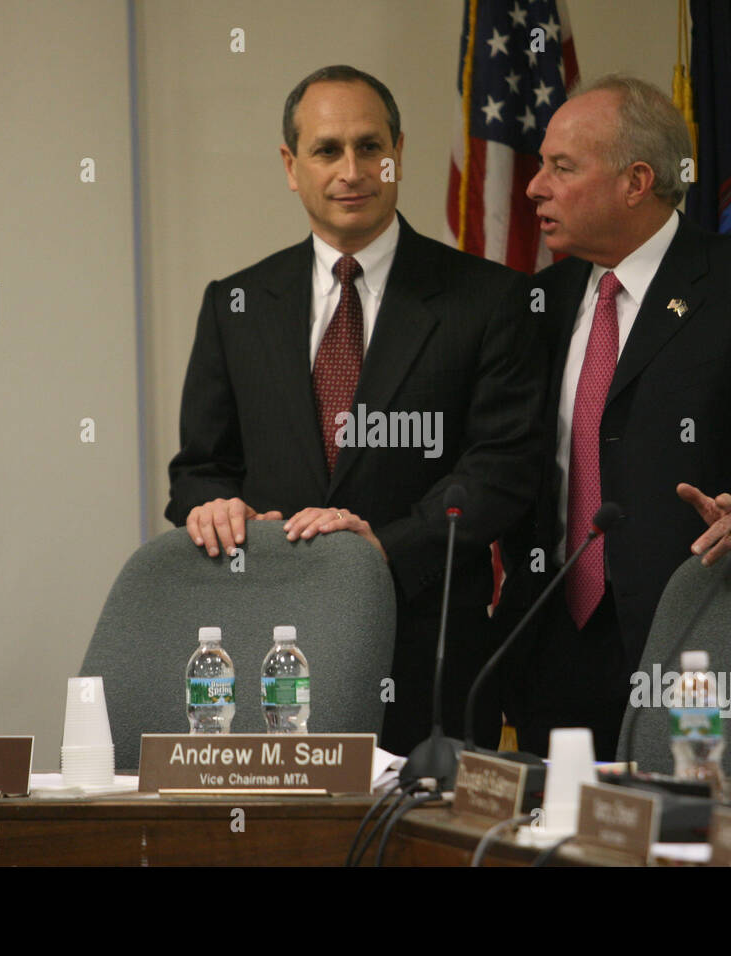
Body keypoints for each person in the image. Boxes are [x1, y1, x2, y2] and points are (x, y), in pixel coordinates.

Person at [166, 65, 543, 754]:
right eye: (327, 149)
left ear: (399, 149)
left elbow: (503, 469)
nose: (352, 169)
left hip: (428, 648)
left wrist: (381, 550)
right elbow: (199, 469)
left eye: (371, 146)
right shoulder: (236, 304)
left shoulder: (489, 300)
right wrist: (213, 505)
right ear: (290, 165)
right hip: (269, 652)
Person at [499, 75, 731, 760]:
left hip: (694, 630)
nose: (535, 187)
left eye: (561, 168)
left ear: (637, 181)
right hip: (551, 642)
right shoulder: (538, 300)